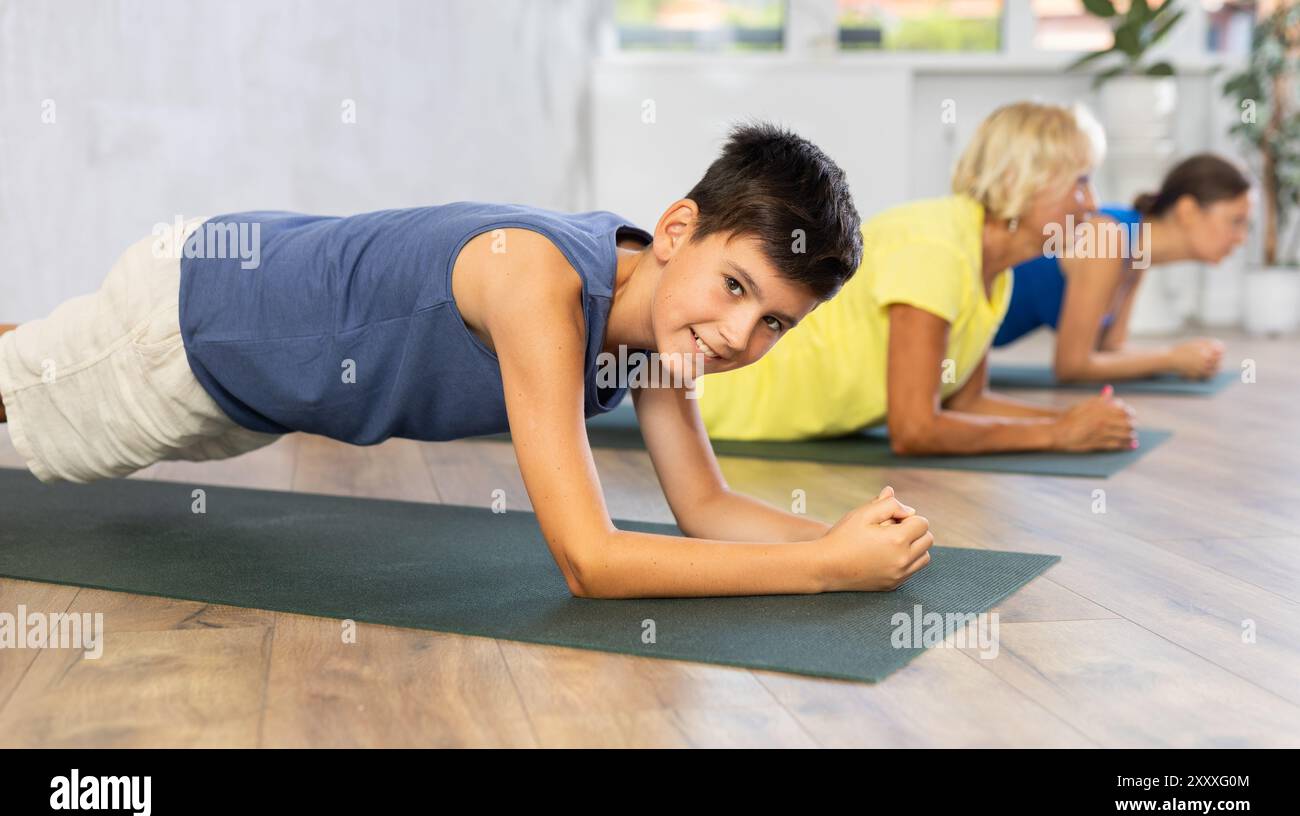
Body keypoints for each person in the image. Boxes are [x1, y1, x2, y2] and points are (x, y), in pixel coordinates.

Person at [0, 122, 934, 599]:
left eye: (775, 323)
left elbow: (706, 508)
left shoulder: (657, 322)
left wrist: (841, 537)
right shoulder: (540, 285)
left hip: (251, 370)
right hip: (199, 326)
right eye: (735, 286)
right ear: (677, 229)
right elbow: (590, 560)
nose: (737, 335)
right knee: (24, 398)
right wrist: (825, 570)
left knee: (33, 366)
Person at [697, 101, 1137, 455]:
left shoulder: (994, 270)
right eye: (1080, 182)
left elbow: (967, 402)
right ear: (1016, 180)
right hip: (725, 404)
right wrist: (1058, 433)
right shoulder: (937, 248)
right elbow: (915, 430)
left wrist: (1074, 420)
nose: (1091, 203)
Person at [992, 153, 1252, 382]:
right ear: (1188, 212)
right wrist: (1170, 358)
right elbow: (1070, 366)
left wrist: (1184, 358)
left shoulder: (1138, 251)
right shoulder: (1107, 236)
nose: (1241, 238)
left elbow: (1110, 348)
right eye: (1235, 221)